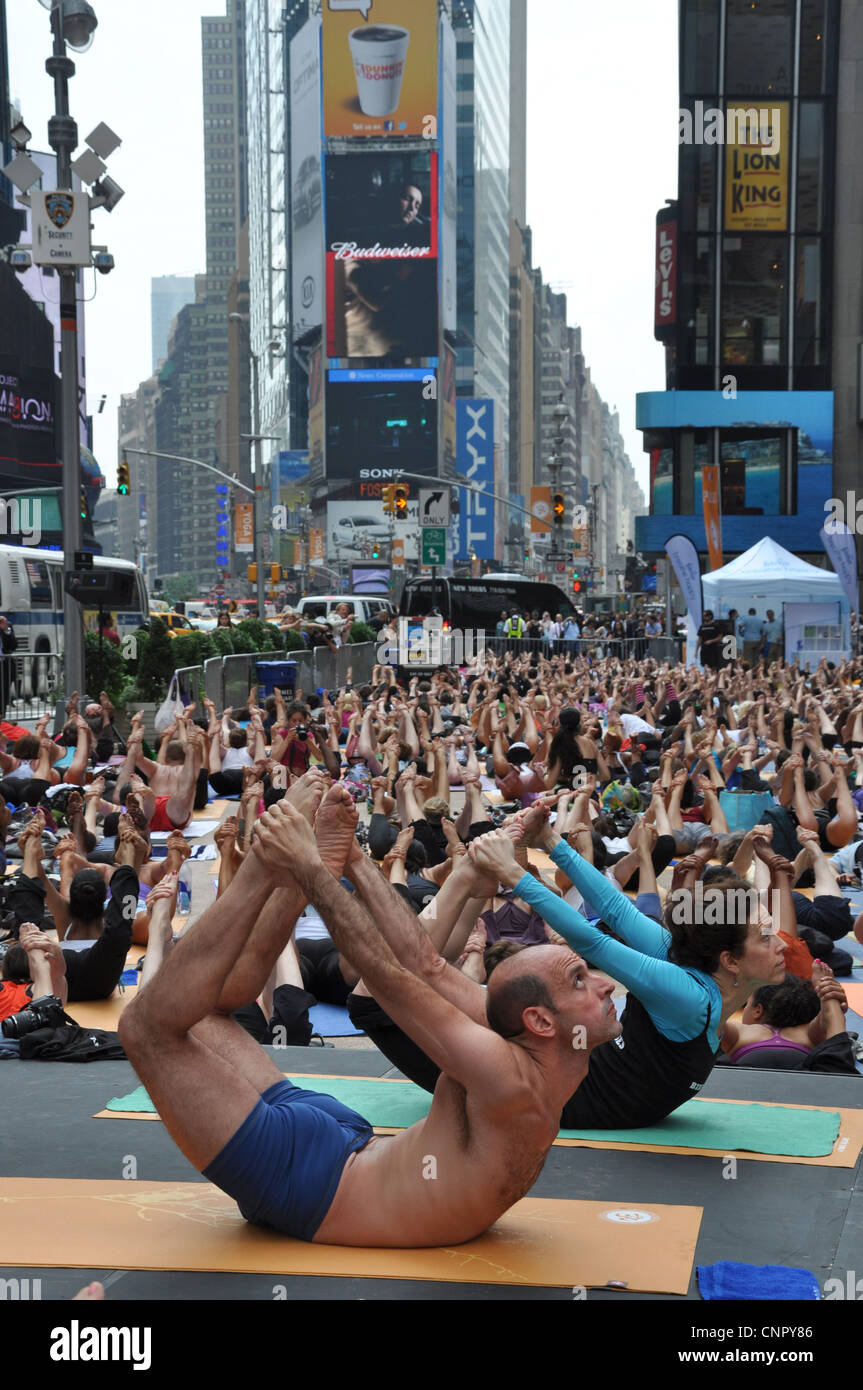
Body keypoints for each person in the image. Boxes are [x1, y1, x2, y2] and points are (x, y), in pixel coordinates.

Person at [118, 788, 619, 1247]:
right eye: (581, 978)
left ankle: (272, 870)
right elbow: (415, 965)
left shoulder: (517, 1070)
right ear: (539, 1022)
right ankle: (275, 869)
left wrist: (316, 870)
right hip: (338, 1157)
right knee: (178, 1020)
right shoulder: (517, 1058)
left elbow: (395, 976)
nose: (606, 983)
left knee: (162, 1023)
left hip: (320, 1179)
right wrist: (353, 860)